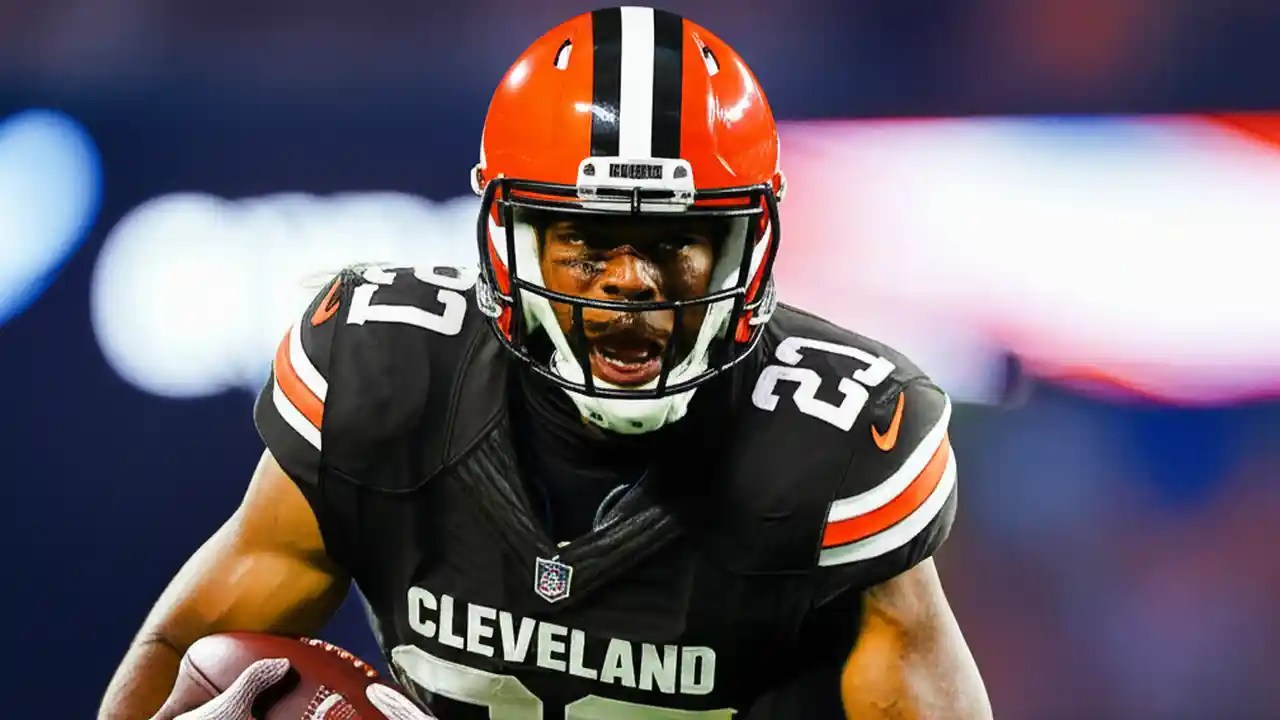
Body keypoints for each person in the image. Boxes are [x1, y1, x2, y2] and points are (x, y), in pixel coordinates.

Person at [100, 6, 991, 719]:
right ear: (507, 237)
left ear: (746, 244)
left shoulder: (835, 445)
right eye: (587, 239)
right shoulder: (384, 378)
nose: (632, 283)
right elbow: (185, 655)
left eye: (677, 243)